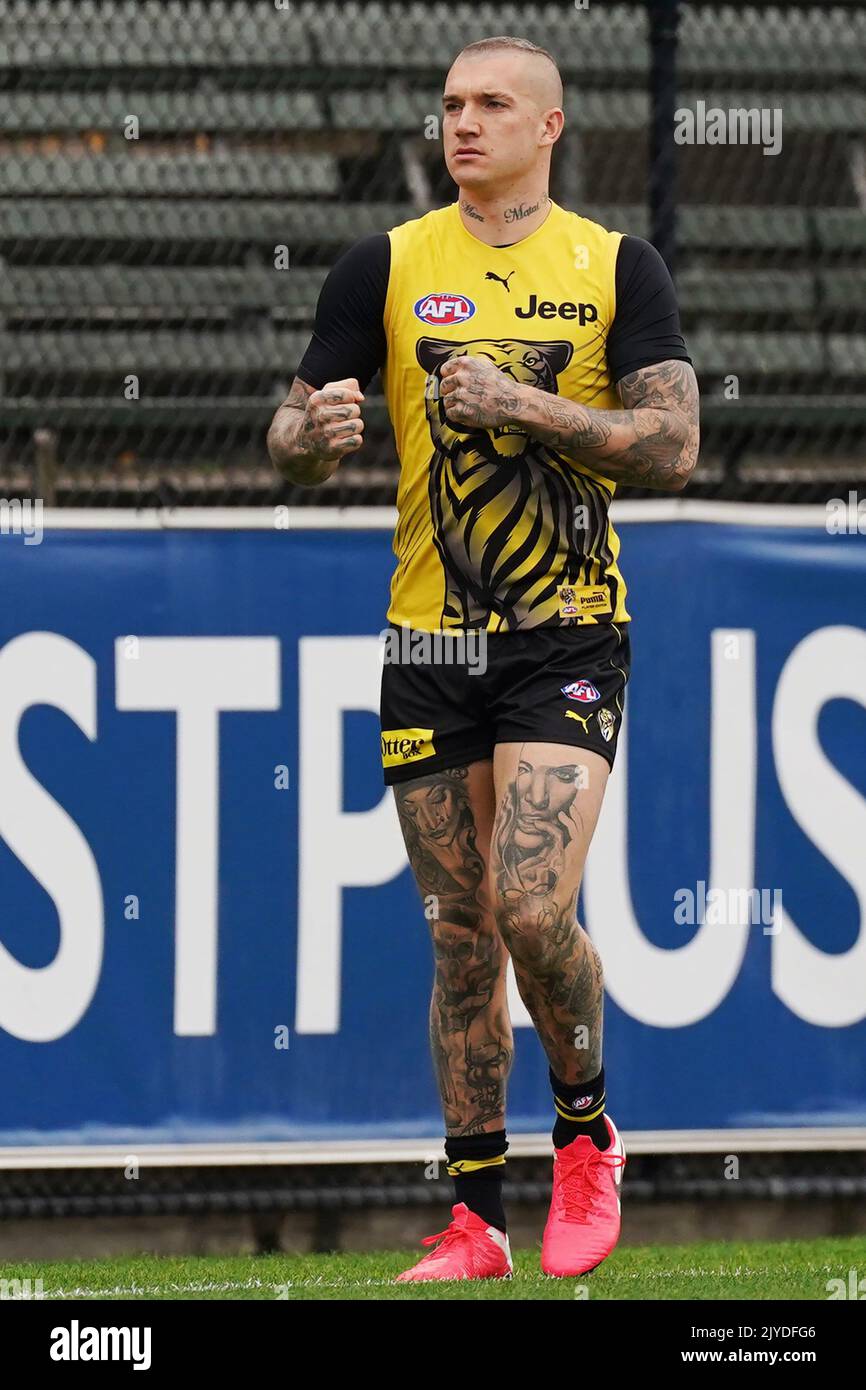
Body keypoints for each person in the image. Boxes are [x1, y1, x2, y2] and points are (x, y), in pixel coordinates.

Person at [268, 34, 699, 1282]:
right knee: (459, 932)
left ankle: (583, 1131)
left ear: (547, 127)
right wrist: (314, 433)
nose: (461, 123)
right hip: (428, 640)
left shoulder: (615, 266)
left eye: (490, 104)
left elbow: (670, 447)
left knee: (527, 907)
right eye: (450, 104)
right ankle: (473, 1220)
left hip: (563, 630)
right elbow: (288, 429)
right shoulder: (385, 262)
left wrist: (527, 407)